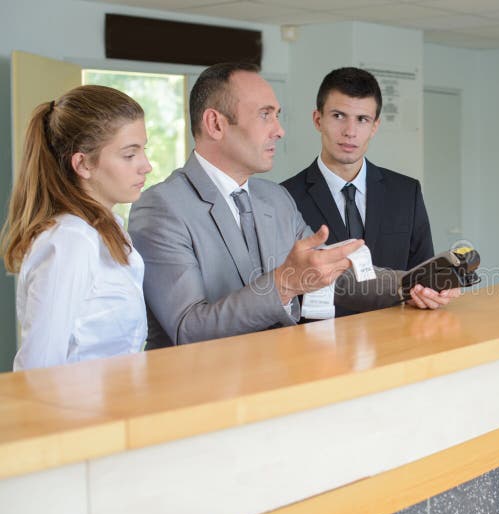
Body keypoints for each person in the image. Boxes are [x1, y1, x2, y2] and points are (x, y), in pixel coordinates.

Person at [129, 62, 457, 350]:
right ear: (216, 124)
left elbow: (330, 275)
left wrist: (413, 284)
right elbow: (188, 329)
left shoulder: (274, 198)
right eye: (265, 116)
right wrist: (285, 282)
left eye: (277, 116)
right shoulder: (161, 208)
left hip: (281, 384)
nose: (280, 130)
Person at [1, 86, 152, 370]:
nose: (146, 166)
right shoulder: (71, 240)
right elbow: (37, 366)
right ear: (83, 164)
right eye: (130, 155)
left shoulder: (107, 230)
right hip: (76, 411)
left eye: (144, 150)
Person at [282, 67, 434, 271]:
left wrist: (434, 291)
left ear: (374, 127)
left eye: (362, 119)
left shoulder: (406, 192)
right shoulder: (285, 198)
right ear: (318, 120)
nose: (350, 132)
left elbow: (424, 273)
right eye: (338, 116)